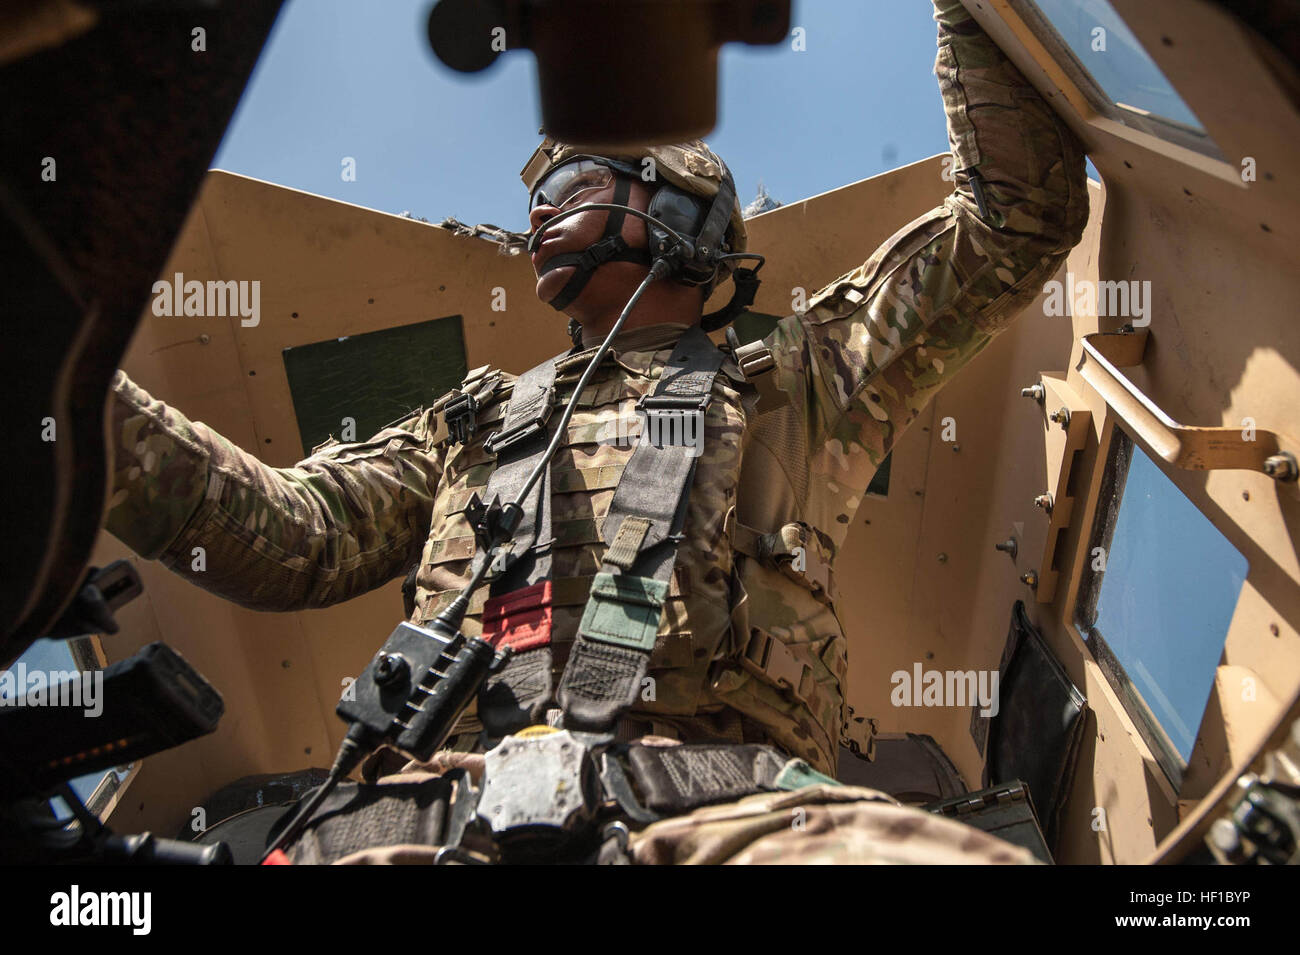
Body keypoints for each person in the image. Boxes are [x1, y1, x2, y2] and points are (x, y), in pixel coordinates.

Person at [104, 0, 1088, 863]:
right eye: (538, 199)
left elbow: (1015, 222)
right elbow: (291, 537)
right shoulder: (471, 423)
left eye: (573, 189)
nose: (539, 214)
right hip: (447, 820)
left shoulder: (800, 377)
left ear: (680, 216)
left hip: (733, 811)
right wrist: (67, 402)